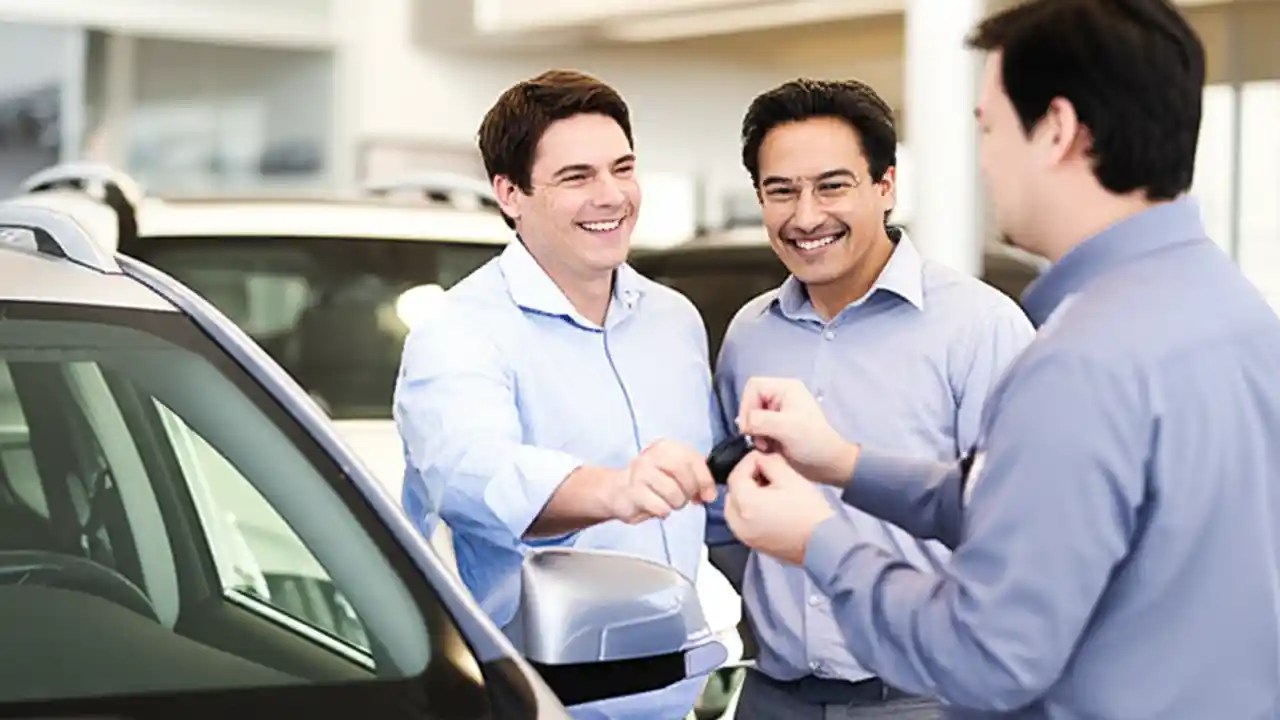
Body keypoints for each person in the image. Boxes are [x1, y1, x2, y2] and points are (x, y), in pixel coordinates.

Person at [720, 1, 1280, 719]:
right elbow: (1035, 510)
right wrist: (842, 463)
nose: (982, 158)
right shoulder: (1235, 312)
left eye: (987, 127)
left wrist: (819, 541)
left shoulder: (1083, 359)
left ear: (1056, 131)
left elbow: (987, 658)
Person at [393, 69, 719, 720]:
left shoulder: (674, 320)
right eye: (577, 177)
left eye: (622, 169)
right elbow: (472, 475)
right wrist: (615, 491)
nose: (612, 196)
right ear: (509, 193)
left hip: (678, 703)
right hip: (538, 709)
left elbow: (701, 503)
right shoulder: (459, 332)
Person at [707, 78, 1034, 719]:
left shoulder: (978, 327)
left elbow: (1014, 529)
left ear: (885, 185)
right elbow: (727, 513)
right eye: (782, 191)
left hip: (923, 699)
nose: (806, 217)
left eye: (832, 186)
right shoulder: (750, 333)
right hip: (775, 697)